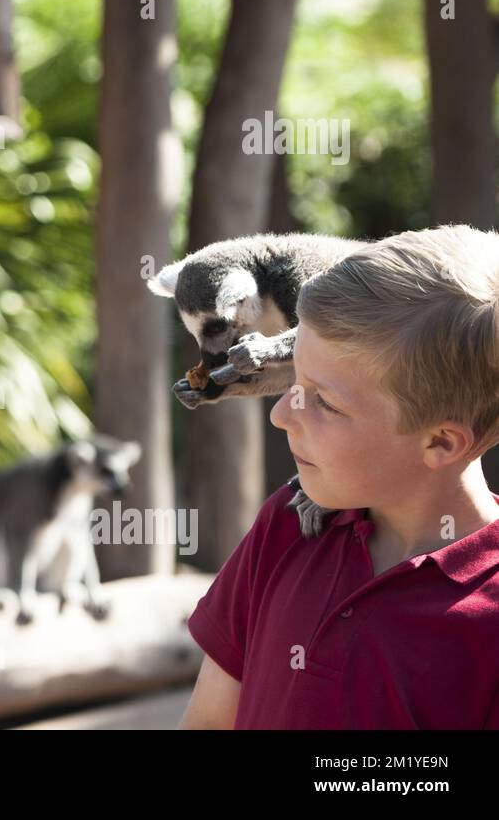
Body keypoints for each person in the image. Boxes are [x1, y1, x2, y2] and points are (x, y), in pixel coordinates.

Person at [180, 224, 499, 729]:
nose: (280, 414)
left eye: (322, 401)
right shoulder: (285, 528)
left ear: (440, 442)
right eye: (294, 382)